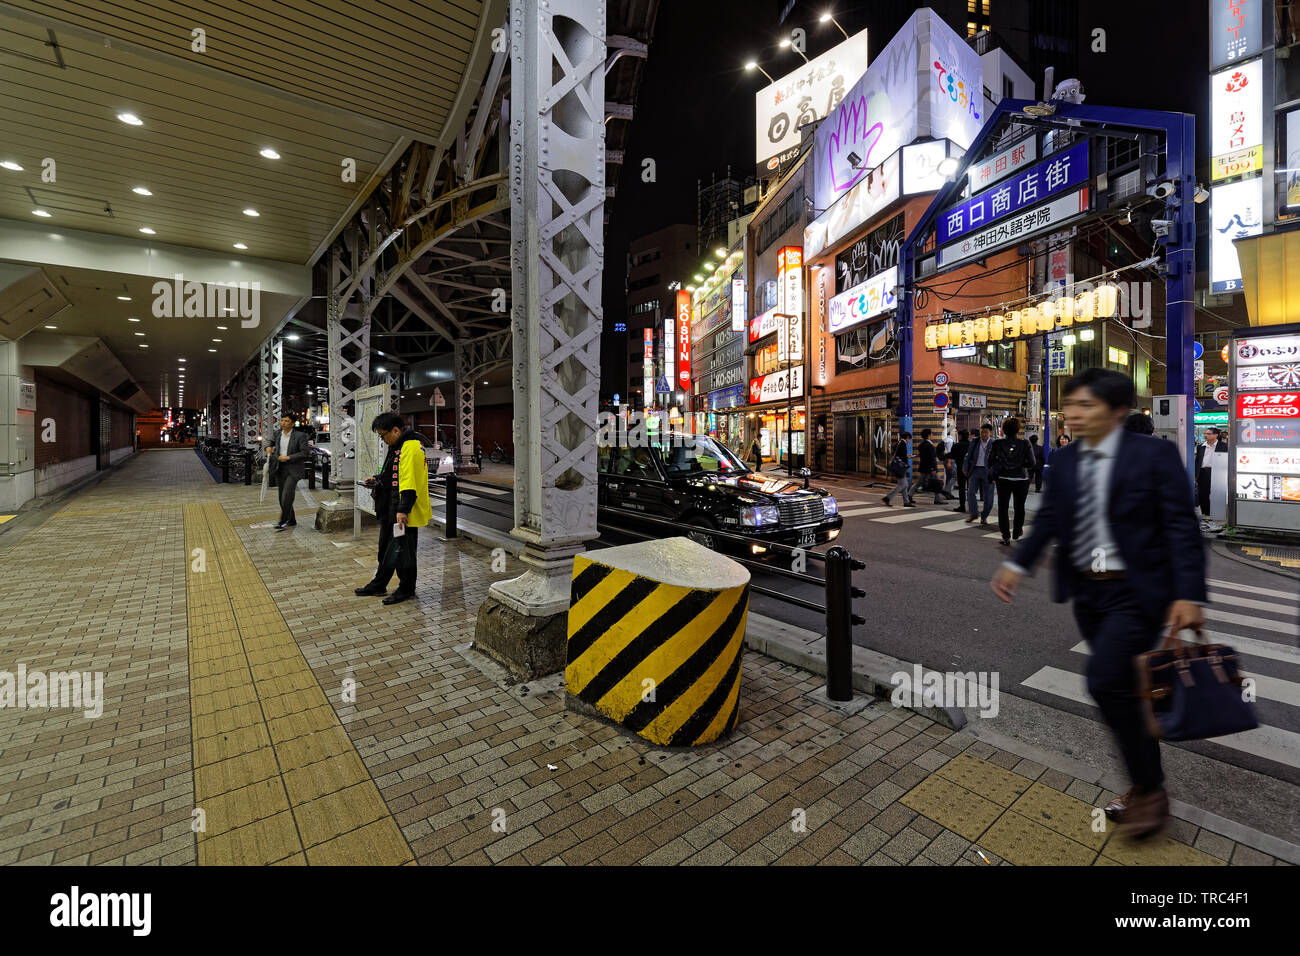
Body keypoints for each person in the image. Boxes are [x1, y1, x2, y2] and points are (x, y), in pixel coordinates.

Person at [991, 368, 1206, 841]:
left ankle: (1149, 791)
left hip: (1138, 593)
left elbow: (1181, 527)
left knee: (1104, 681)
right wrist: (1018, 564)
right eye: (1071, 405)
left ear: (1117, 411)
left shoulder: (1154, 455)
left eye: (1085, 405)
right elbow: (1049, 520)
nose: (1073, 414)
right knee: (1124, 689)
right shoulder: (1065, 460)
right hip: (1089, 594)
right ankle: (1146, 781)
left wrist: (1189, 592)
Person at [354, 412, 432, 604]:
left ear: (396, 430)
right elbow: (393, 474)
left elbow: (409, 483)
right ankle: (379, 584)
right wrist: (378, 479)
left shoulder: (411, 447)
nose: (383, 440)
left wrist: (402, 510)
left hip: (403, 512)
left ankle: (407, 589)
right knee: (387, 549)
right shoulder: (398, 446)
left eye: (383, 435)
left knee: (403, 552)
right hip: (392, 507)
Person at [990, 417, 1034, 547]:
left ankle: (1005, 536)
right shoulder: (1025, 443)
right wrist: (1019, 464)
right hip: (1021, 479)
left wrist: (1002, 465)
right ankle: (1016, 531)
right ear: (1017, 429)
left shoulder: (997, 443)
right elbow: (1032, 463)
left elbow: (990, 461)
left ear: (1004, 429)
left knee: (1003, 508)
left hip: (1003, 479)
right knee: (1019, 507)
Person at [266, 414, 310, 531]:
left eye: (286, 421)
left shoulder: (300, 436)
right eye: (282, 420)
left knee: (287, 496)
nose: (283, 423)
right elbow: (269, 441)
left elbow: (304, 453)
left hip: (293, 469)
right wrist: (268, 447)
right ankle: (291, 520)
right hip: (280, 468)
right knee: (281, 497)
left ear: (292, 423)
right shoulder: (277, 434)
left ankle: (283, 521)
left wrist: (289, 457)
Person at [964, 423, 996, 524]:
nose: (983, 434)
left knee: (989, 497)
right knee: (970, 492)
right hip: (975, 470)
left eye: (986, 432)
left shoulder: (995, 443)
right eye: (982, 432)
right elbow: (968, 455)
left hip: (989, 472)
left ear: (990, 433)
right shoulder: (975, 441)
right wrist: (965, 467)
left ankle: (984, 516)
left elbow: (997, 460)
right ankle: (973, 513)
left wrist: (996, 473)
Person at [1196, 427, 1229, 520]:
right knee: (1203, 494)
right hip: (1203, 472)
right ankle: (1205, 513)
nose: (1206, 435)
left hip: (1217, 472)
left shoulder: (1223, 446)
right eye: (1205, 433)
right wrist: (1196, 474)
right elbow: (1197, 461)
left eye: (1209, 434)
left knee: (1217, 493)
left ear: (1216, 435)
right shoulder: (1201, 446)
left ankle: (1216, 514)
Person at [909, 428, 948, 504]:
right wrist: (933, 468)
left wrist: (914, 456)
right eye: (931, 433)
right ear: (929, 435)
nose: (932, 435)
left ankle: (909, 495)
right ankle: (937, 500)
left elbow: (923, 455)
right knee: (938, 482)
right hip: (930, 468)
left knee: (920, 482)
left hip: (924, 467)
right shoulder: (929, 445)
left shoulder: (922, 444)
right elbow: (931, 458)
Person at [882, 431, 915, 507]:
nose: (909, 441)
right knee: (903, 485)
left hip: (899, 467)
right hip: (900, 467)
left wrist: (907, 456)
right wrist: (907, 459)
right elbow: (901, 456)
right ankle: (888, 498)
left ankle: (906, 502)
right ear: (907, 437)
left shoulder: (899, 442)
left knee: (904, 485)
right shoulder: (903, 443)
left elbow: (898, 454)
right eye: (909, 439)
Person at [950, 429, 971, 512]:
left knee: (962, 488)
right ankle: (972, 507)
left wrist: (943, 456)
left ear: (960, 436)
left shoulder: (957, 445)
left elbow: (952, 455)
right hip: (970, 469)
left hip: (960, 468)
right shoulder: (971, 445)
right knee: (971, 489)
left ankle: (962, 506)